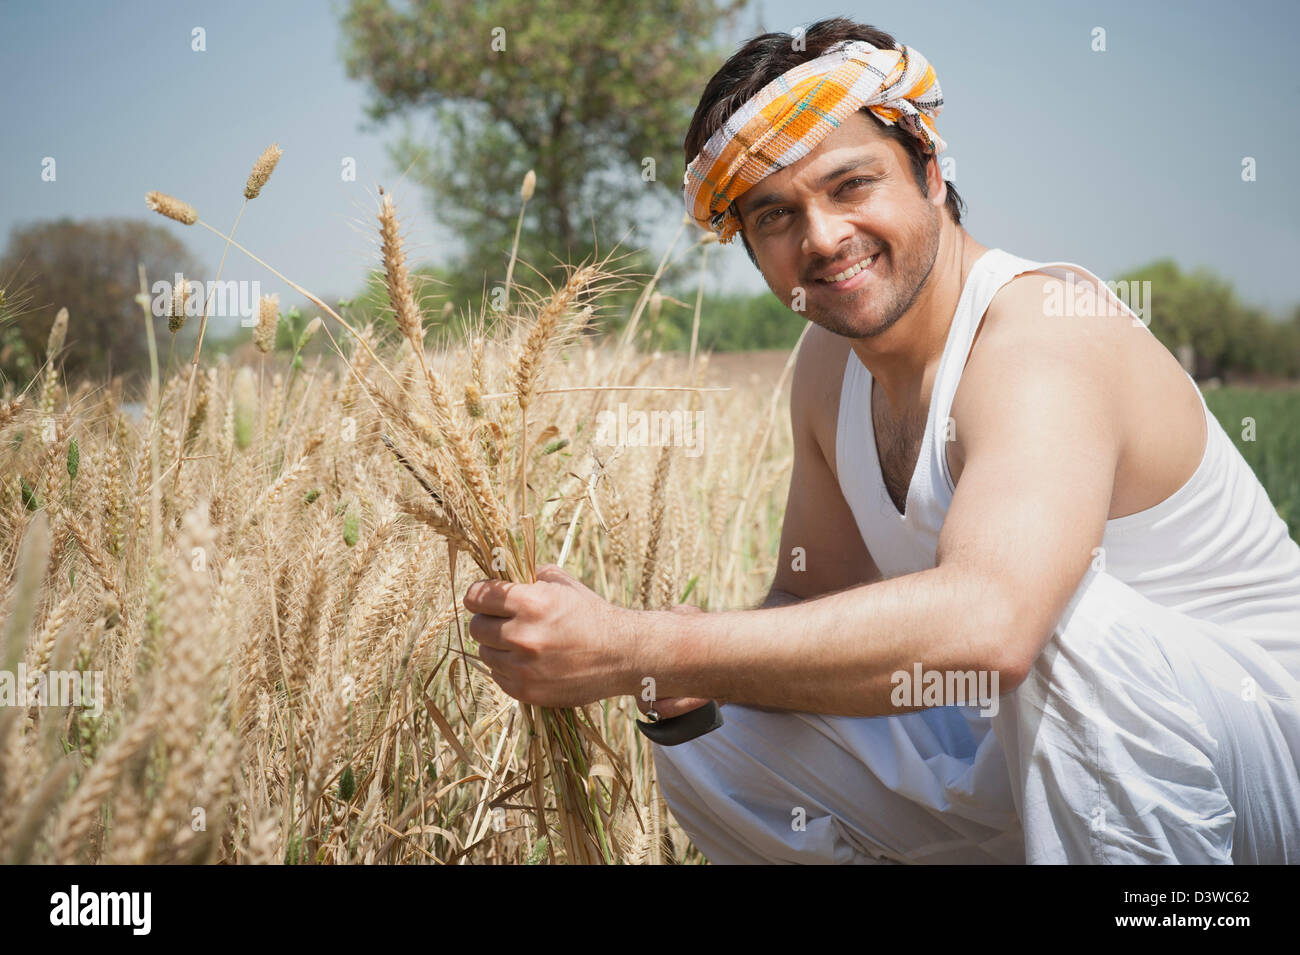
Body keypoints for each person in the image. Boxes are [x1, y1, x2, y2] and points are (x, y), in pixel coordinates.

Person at [461, 17, 1300, 863]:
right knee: (710, 728)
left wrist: (638, 643)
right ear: (752, 251)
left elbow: (995, 625)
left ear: (931, 173)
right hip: (1031, 757)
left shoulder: (1040, 332)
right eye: (776, 216)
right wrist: (680, 663)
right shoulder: (828, 369)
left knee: (1060, 621)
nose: (822, 237)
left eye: (851, 185)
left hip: (1253, 759)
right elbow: (809, 596)